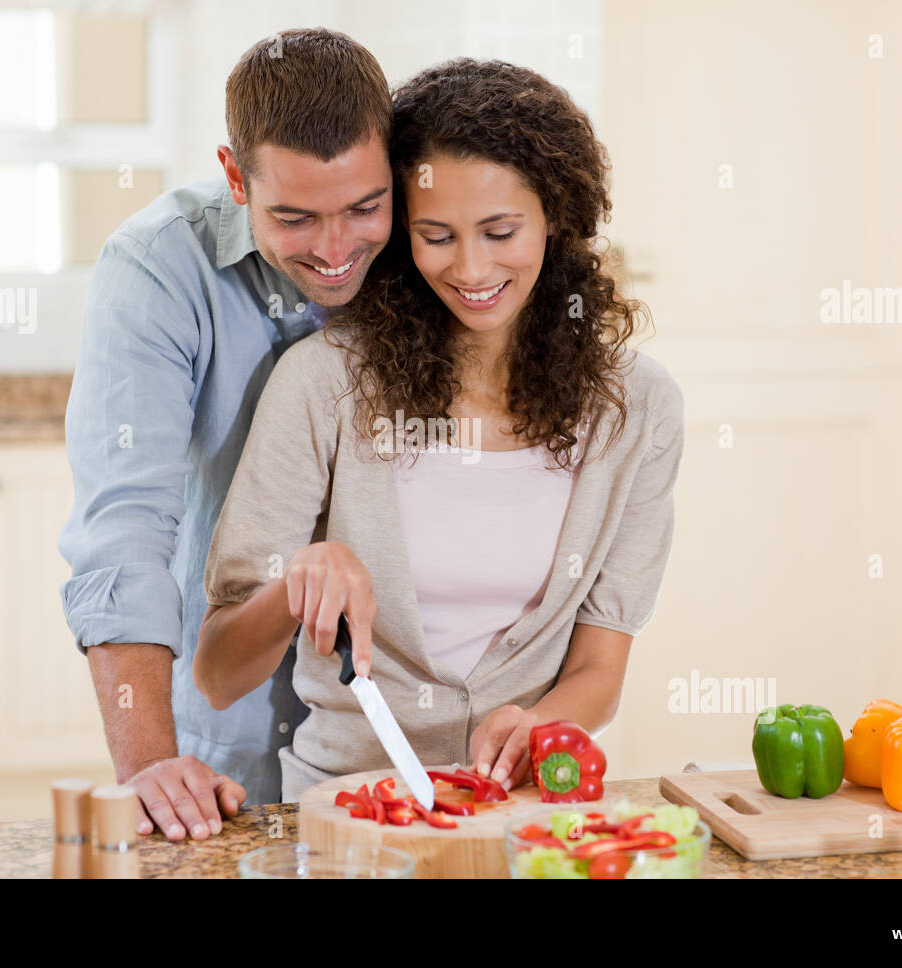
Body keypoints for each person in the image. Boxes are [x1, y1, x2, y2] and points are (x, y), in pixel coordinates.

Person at [195, 58, 685, 802]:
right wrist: (295, 586)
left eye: (499, 230)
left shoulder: (636, 408)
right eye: (437, 235)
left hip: (522, 808)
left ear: (556, 214)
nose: (472, 267)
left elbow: (599, 672)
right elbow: (218, 671)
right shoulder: (324, 383)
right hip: (348, 807)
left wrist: (537, 724)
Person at [57, 27, 393, 838]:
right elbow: (125, 531)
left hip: (391, 741)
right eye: (296, 218)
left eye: (364, 206)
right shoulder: (157, 268)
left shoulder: (427, 241)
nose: (338, 249)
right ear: (235, 177)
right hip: (231, 736)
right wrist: (148, 768)